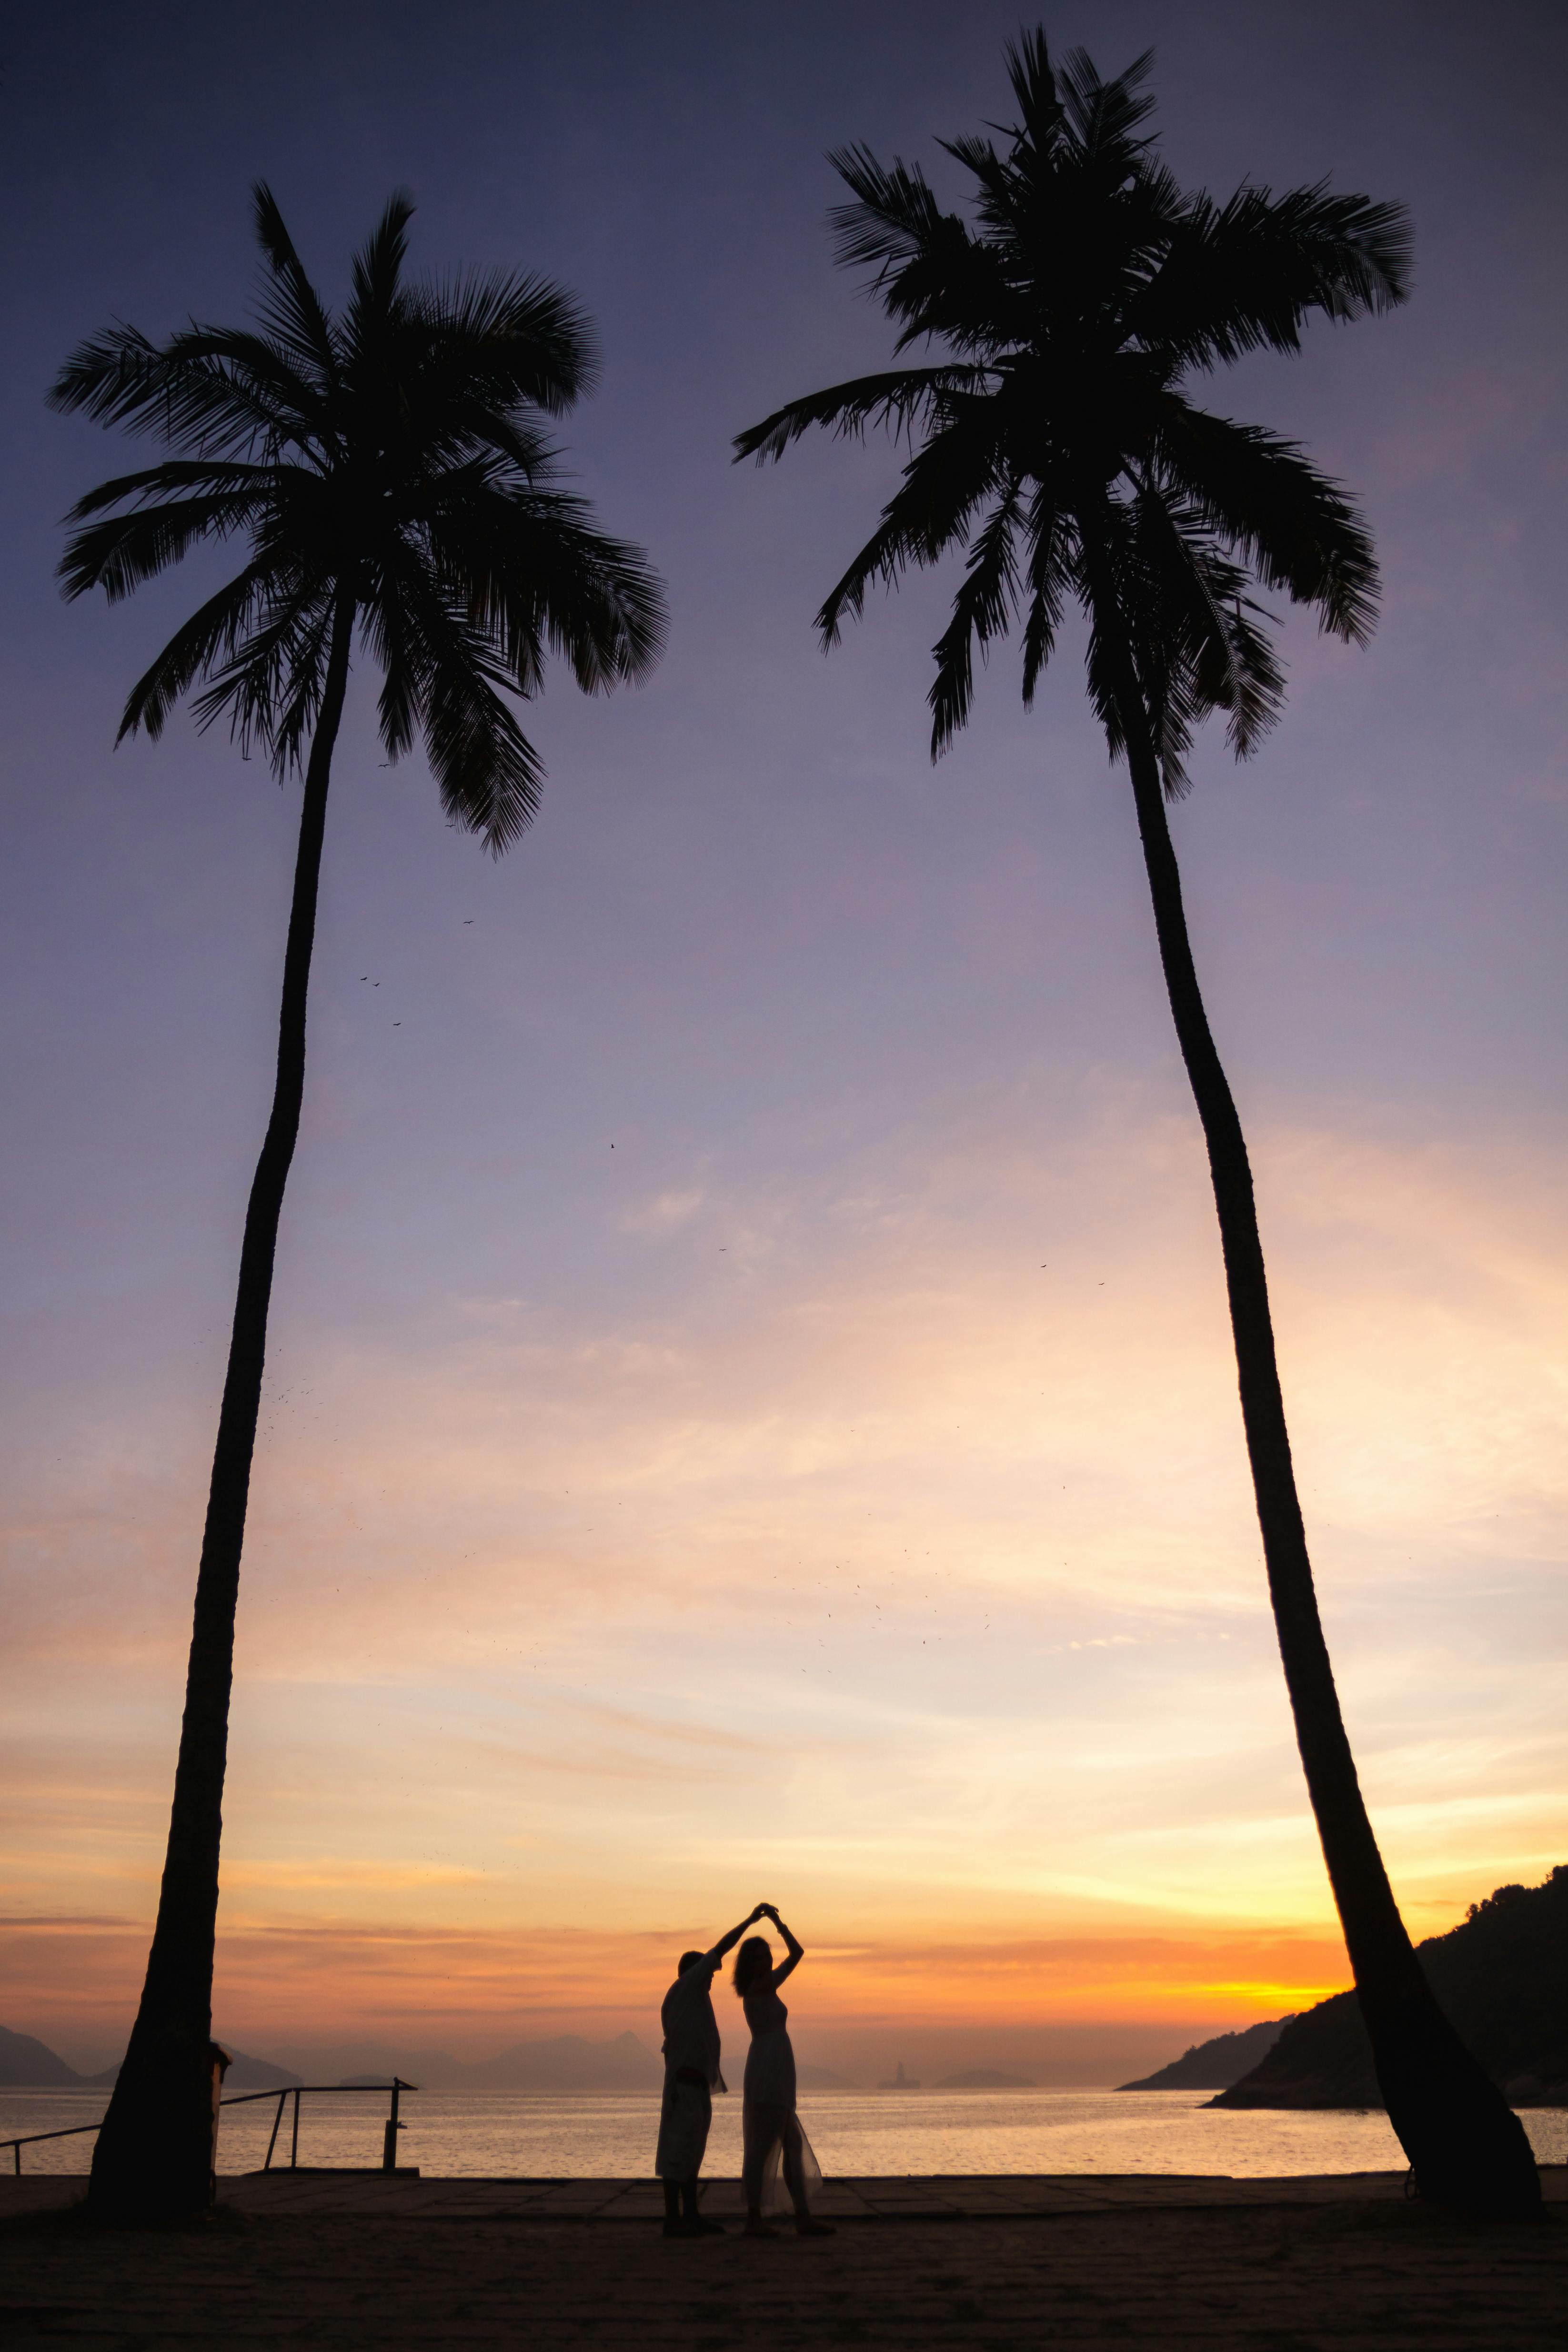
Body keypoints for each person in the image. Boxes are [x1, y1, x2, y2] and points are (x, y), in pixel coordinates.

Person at [655, 1903, 767, 2239]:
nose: (713, 1978)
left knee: (690, 2155)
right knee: (678, 2155)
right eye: (709, 1973)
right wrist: (750, 1920)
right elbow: (722, 1948)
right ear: (694, 1972)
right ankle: (674, 2219)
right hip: (685, 2089)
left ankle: (689, 2216)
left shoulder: (692, 2002)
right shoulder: (687, 1990)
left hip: (696, 2088)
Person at [734, 1903, 834, 2239]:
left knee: (789, 2144)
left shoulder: (765, 1988)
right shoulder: (759, 1989)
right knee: (764, 2148)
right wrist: (775, 1921)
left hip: (772, 2070)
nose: (767, 1962)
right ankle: (757, 2220)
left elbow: (793, 1954)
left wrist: (774, 1921)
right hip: (767, 2073)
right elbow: (798, 1953)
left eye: (767, 1956)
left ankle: (800, 2217)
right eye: (760, 1958)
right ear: (750, 1965)